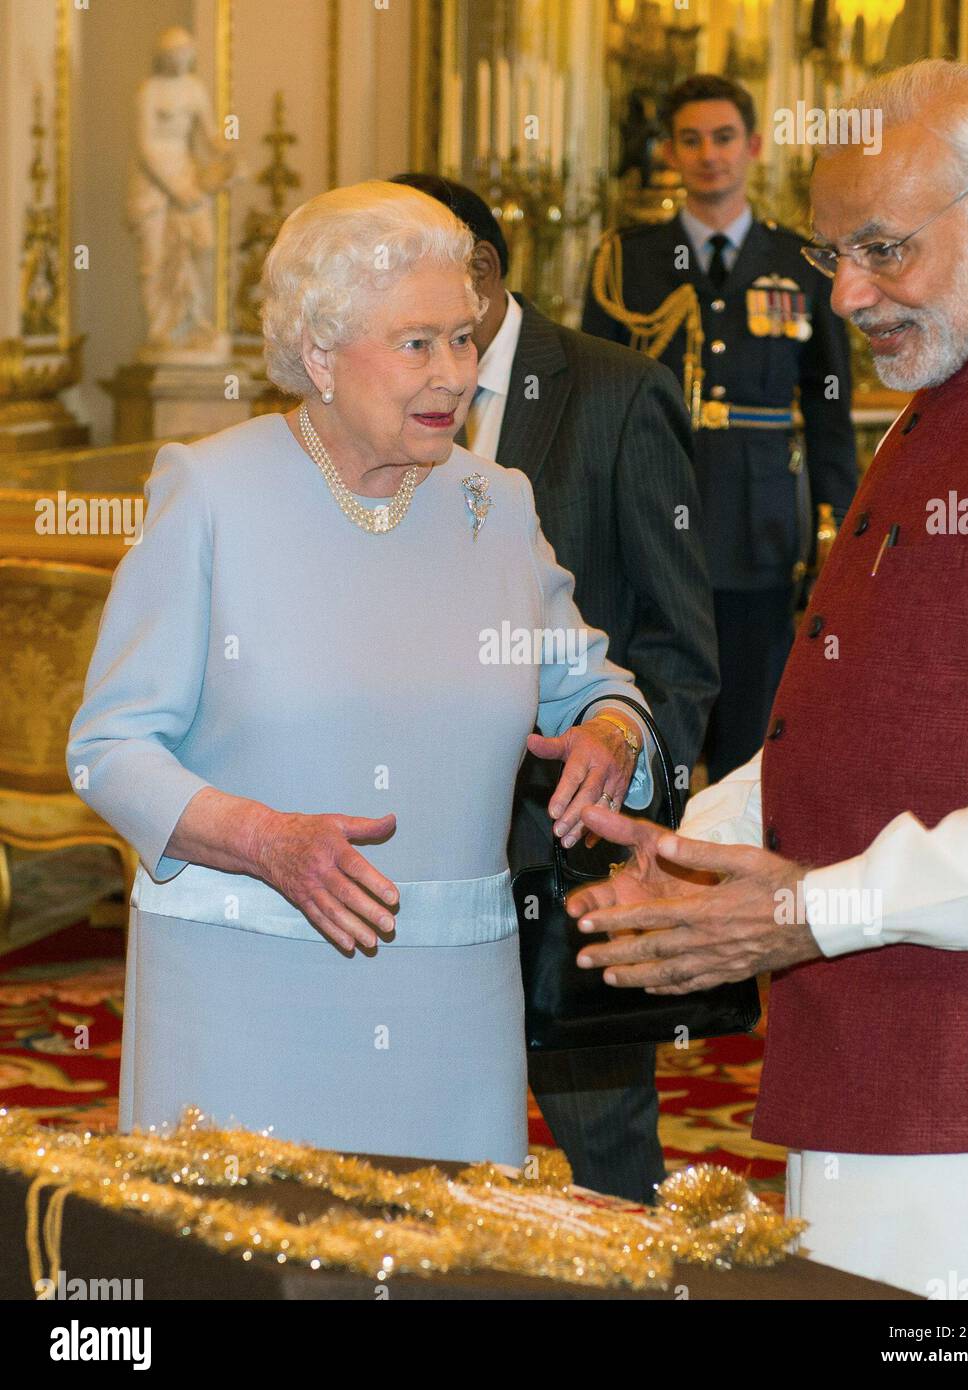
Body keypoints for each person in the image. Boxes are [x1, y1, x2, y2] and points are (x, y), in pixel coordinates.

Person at [567, 59, 968, 1298]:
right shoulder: (954, 382)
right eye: (831, 252)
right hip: (872, 1042)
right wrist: (697, 846)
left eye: (882, 250)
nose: (846, 294)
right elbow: (867, 702)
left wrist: (815, 910)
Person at [66, 181, 655, 1167]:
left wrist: (609, 736)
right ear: (320, 356)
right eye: (416, 343)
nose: (455, 374)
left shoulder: (494, 505)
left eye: (464, 339)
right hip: (242, 1001)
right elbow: (109, 748)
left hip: (452, 1016)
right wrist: (262, 837)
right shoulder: (212, 491)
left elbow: (596, 685)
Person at [391, 173, 719, 1204]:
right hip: (407, 844)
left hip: (568, 837)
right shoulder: (361, 406)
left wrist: (624, 781)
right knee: (413, 1133)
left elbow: (678, 644)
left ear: (480, 276)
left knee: (603, 1139)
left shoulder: (616, 392)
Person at [582, 73, 857, 782]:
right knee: (651, 709)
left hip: (760, 522)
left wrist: (838, 524)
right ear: (669, 151)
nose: (710, 155)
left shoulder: (801, 262)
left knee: (749, 730)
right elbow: (594, 403)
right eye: (692, 140)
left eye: (725, 137)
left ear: (754, 146)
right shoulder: (626, 259)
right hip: (649, 519)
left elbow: (828, 409)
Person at [127, 26, 237, 354]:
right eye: (173, 55)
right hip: (153, 181)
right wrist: (174, 189)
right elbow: (144, 146)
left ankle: (193, 322)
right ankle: (161, 330)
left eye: (184, 54)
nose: (179, 61)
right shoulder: (148, 91)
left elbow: (209, 133)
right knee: (155, 257)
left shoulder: (194, 89)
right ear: (163, 56)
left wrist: (226, 153)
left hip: (186, 175)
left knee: (199, 246)